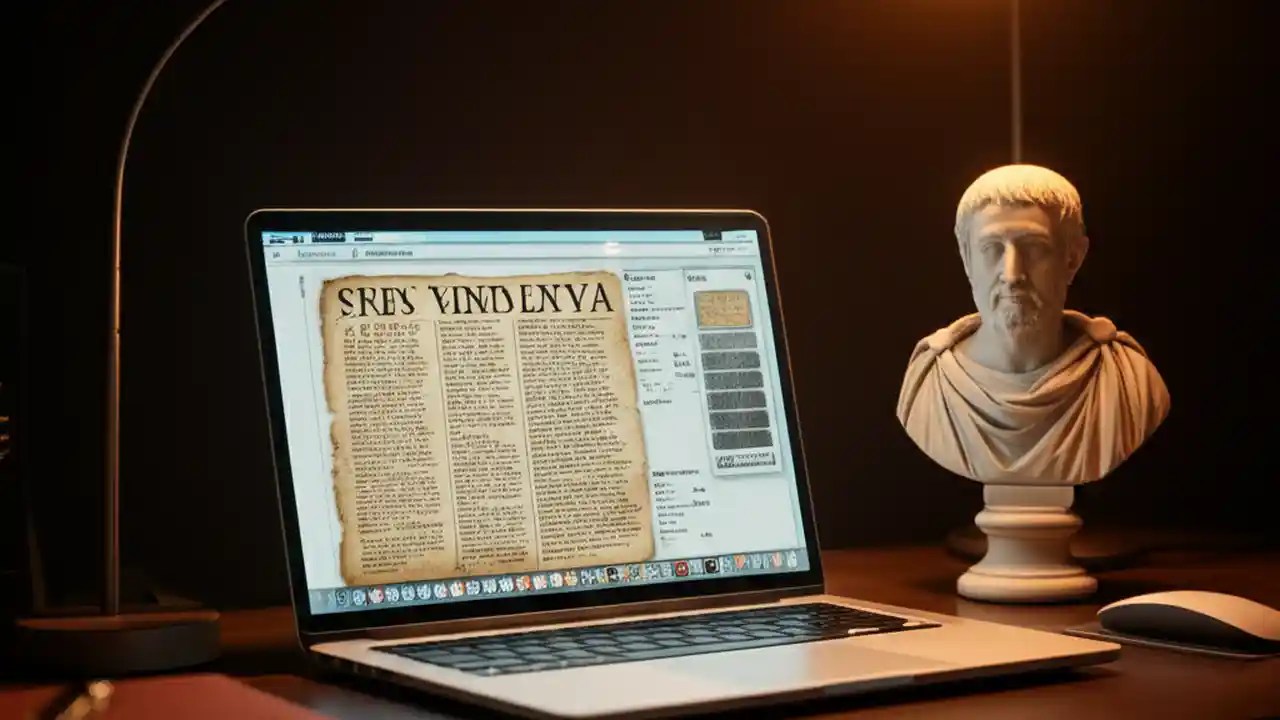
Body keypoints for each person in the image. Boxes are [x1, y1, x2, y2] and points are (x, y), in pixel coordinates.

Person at [897, 164, 1169, 486]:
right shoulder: (931, 383)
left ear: (1073, 258)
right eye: (991, 249)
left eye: (1034, 248)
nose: (1012, 274)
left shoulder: (1126, 382)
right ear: (967, 258)